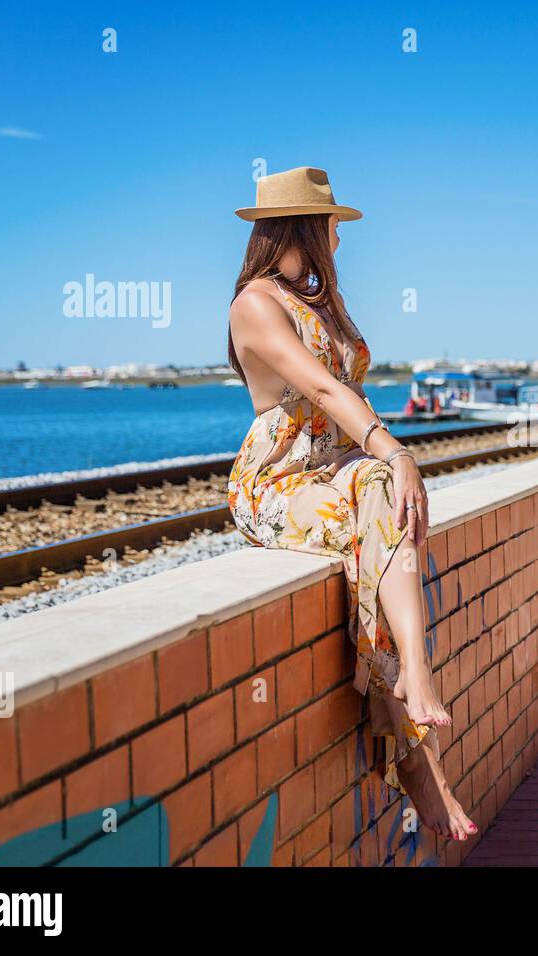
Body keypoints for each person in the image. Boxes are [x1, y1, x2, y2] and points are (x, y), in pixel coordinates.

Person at [225, 167, 475, 842]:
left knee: (375, 514)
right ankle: (422, 727)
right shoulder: (255, 302)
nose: (340, 237)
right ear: (304, 226)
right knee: (378, 488)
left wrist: (378, 457)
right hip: (276, 483)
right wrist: (394, 452)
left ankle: (416, 721)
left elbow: (351, 399)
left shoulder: (323, 302)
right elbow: (323, 391)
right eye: (332, 224)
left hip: (336, 473)